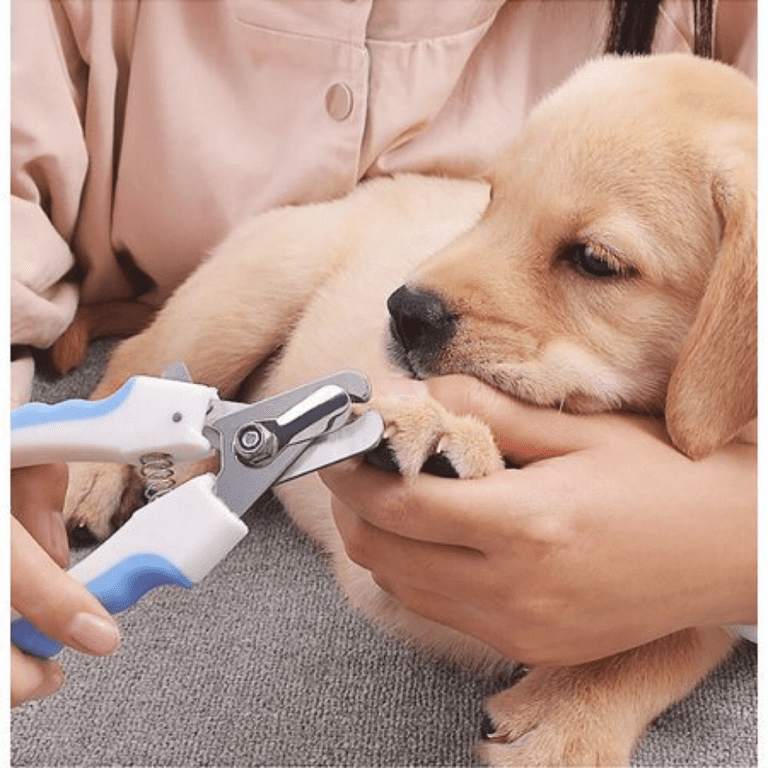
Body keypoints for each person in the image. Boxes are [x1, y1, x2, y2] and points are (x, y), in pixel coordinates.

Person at [11, 0, 756, 706]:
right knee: (284, 258)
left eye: (594, 260)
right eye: (492, 199)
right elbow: (380, 568)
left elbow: (704, 610)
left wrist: (727, 549)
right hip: (334, 254)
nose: (422, 293)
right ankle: (132, 392)